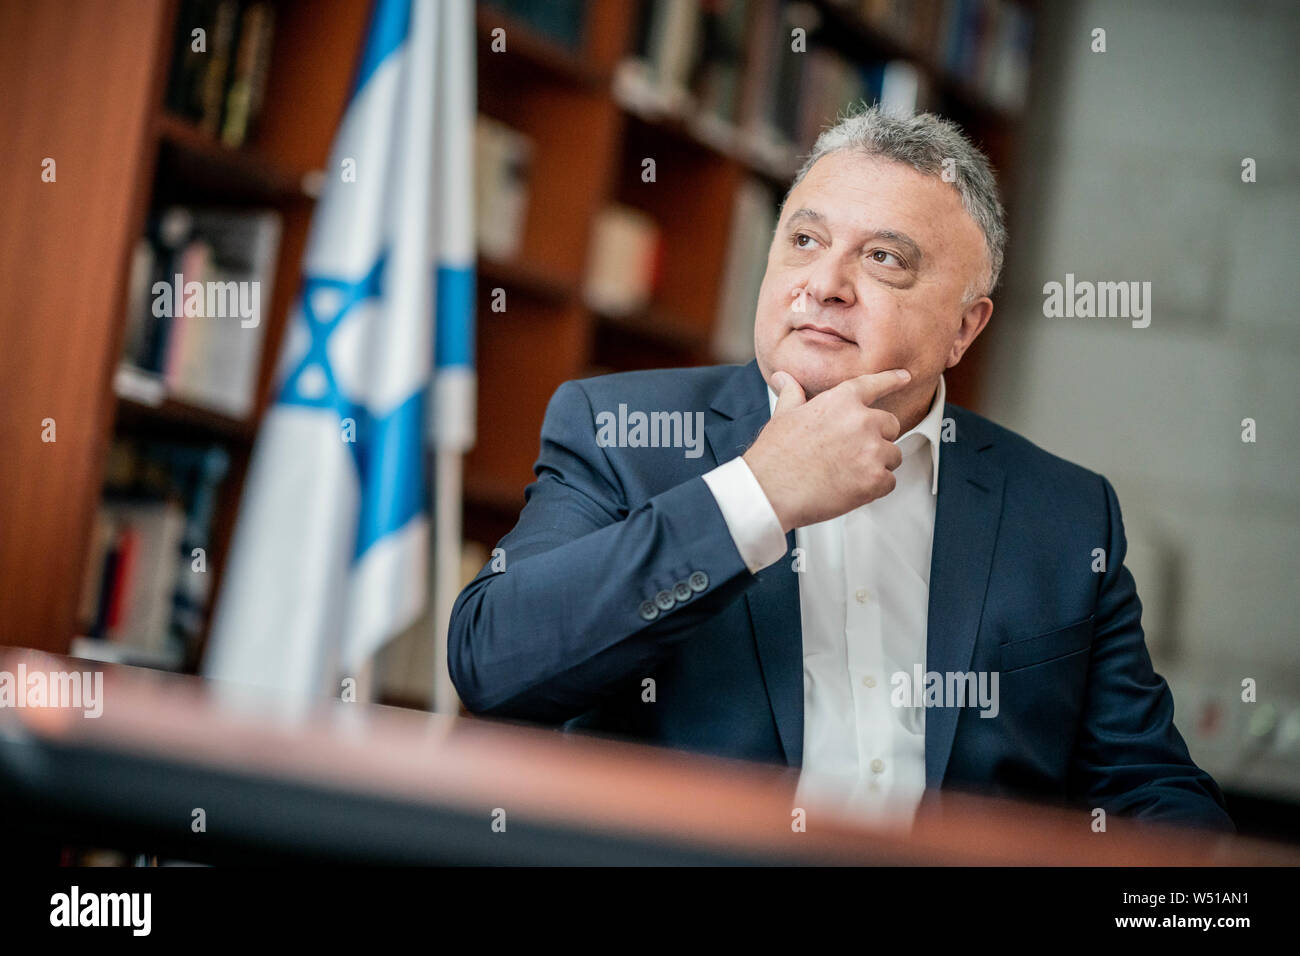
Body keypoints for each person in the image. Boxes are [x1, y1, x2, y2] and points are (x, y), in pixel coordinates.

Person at [447, 104, 1233, 833]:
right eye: (804, 240)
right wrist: (759, 493)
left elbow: (1145, 786)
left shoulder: (1065, 514)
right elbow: (494, 663)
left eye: (884, 259)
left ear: (965, 327)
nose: (823, 284)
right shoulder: (623, 432)